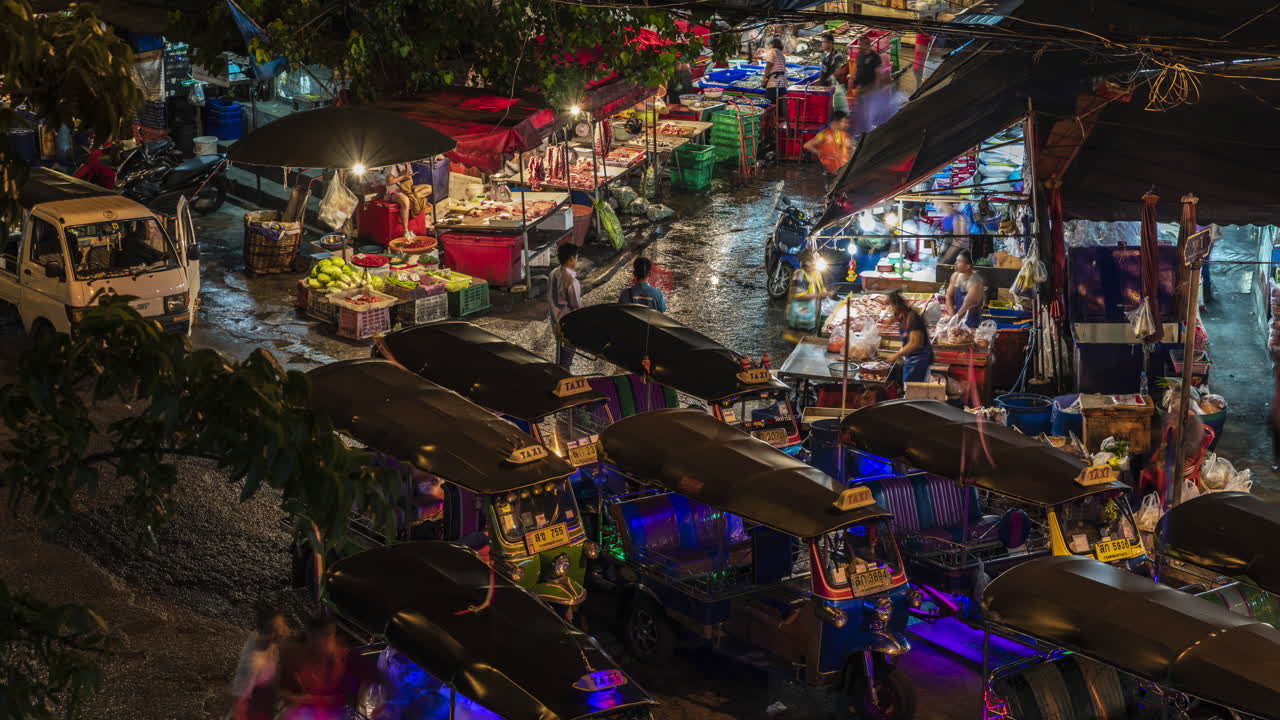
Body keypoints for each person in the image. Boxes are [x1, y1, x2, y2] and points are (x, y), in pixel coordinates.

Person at [277, 616, 362, 720]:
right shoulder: (302, 659)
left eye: (325, 637)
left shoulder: (344, 660)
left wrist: (304, 700)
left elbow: (344, 699)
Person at [227, 604, 291, 720]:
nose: (285, 630)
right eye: (280, 627)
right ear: (271, 632)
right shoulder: (253, 662)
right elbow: (239, 703)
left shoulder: (263, 641)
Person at [885, 290, 933, 383]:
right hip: (911, 358)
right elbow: (890, 320)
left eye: (891, 306)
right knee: (908, 386)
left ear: (896, 305)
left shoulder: (913, 318)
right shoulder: (902, 314)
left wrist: (896, 354)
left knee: (914, 388)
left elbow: (914, 343)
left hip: (919, 359)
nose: (890, 309)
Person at [548, 243, 582, 369]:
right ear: (572, 258)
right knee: (566, 357)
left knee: (560, 354)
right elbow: (576, 306)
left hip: (555, 320)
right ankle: (563, 379)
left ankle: (559, 374)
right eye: (576, 257)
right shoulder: (572, 281)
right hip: (568, 323)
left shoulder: (554, 273)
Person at [384, 163, 431, 240]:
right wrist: (403, 176)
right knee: (405, 201)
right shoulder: (392, 165)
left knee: (429, 188)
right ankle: (405, 230)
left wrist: (410, 179)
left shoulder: (408, 163)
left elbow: (410, 181)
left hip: (407, 189)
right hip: (395, 190)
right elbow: (389, 182)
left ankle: (413, 195)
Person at [786, 251, 830, 332]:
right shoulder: (799, 274)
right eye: (814, 260)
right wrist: (819, 295)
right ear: (807, 262)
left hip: (812, 316)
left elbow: (821, 288)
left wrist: (826, 293)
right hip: (799, 318)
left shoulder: (817, 273)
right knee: (799, 342)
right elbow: (798, 296)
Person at [943, 250, 987, 328]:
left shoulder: (976, 282)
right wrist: (952, 314)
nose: (955, 263)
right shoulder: (955, 276)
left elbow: (966, 306)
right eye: (956, 261)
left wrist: (954, 320)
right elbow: (949, 295)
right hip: (957, 317)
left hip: (972, 322)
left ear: (968, 266)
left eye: (959, 261)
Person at [803, 110, 852, 175]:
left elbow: (849, 149)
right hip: (829, 171)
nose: (847, 125)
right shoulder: (824, 134)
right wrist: (820, 153)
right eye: (845, 122)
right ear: (836, 122)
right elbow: (807, 145)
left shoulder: (844, 134)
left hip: (841, 170)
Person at [851, 36, 882, 132]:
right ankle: (862, 128)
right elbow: (857, 68)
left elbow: (878, 73)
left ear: (867, 44)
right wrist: (852, 80)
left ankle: (868, 129)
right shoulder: (860, 54)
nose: (859, 46)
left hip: (870, 87)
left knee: (868, 109)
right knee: (860, 108)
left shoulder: (875, 57)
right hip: (860, 86)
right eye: (858, 44)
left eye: (860, 44)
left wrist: (877, 88)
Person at [763, 37, 789, 106]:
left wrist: (764, 78)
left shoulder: (772, 51)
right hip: (782, 82)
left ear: (772, 44)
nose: (768, 46)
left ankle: (773, 116)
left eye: (769, 45)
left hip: (774, 82)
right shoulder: (781, 54)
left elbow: (769, 64)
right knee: (780, 103)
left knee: (771, 104)